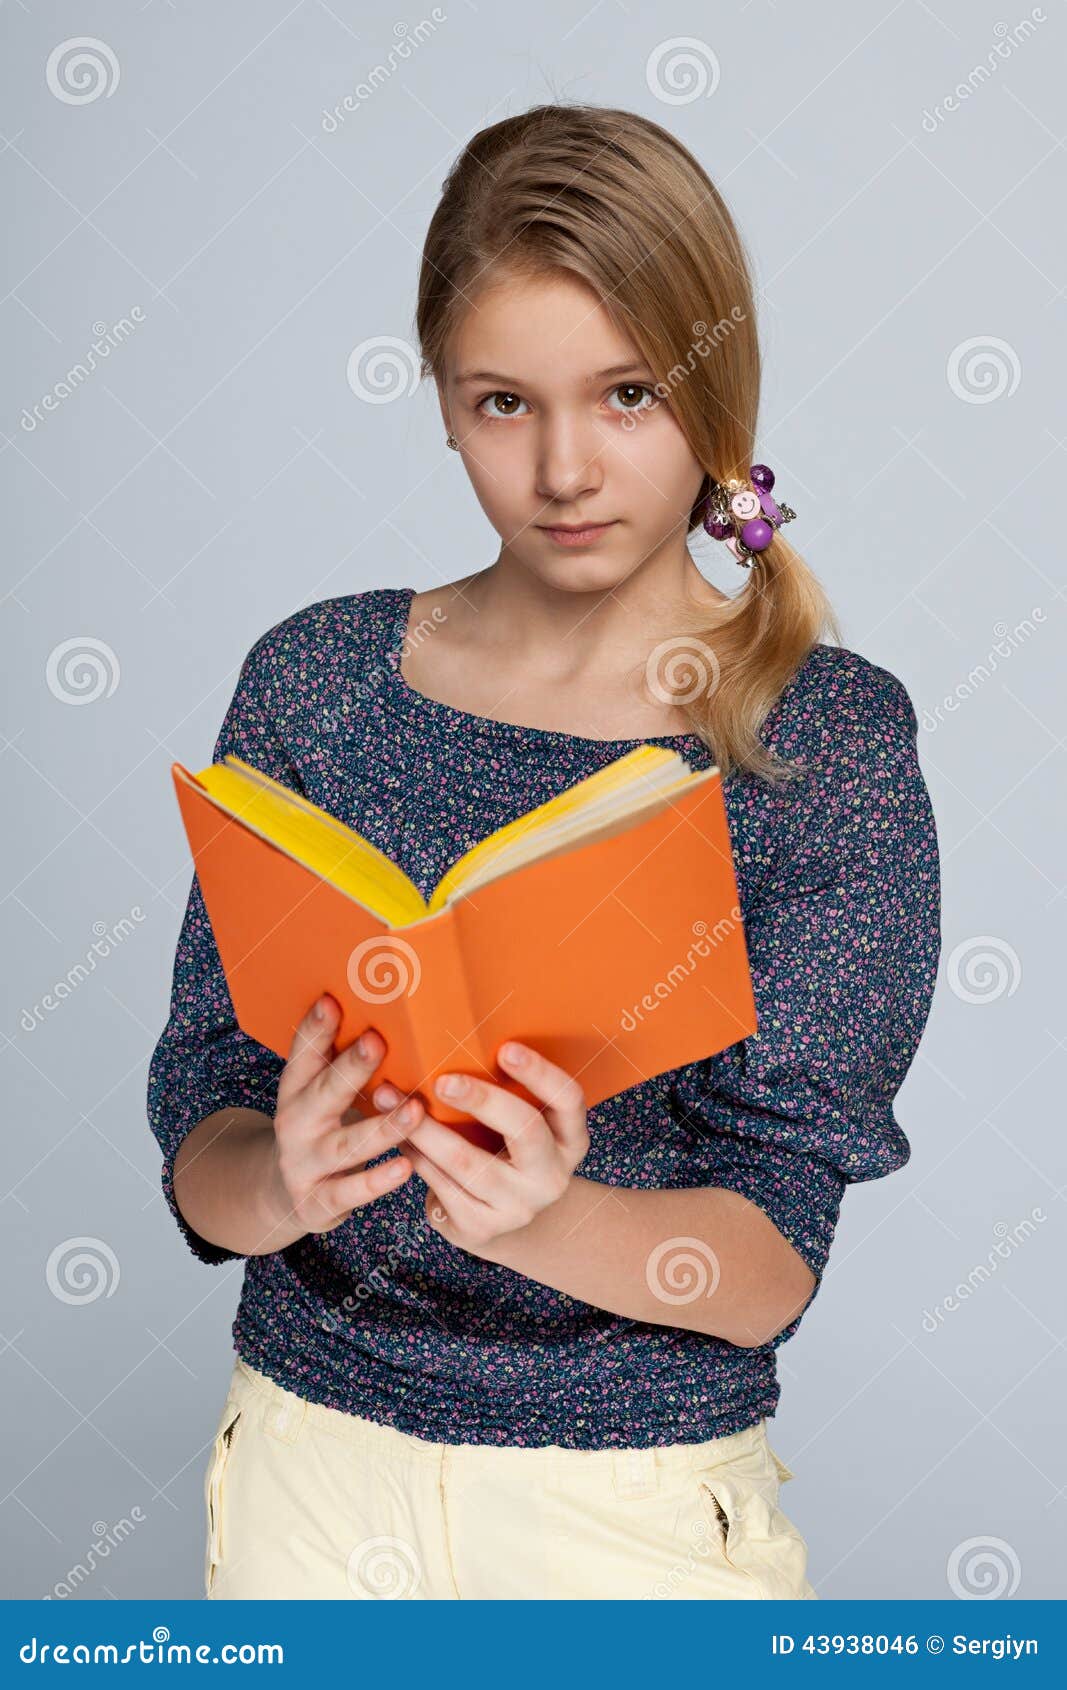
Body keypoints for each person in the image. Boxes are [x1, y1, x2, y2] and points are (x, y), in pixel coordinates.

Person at [146, 102, 941, 1601]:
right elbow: (202, 1128)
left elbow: (772, 1265)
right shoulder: (316, 681)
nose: (566, 467)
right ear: (443, 402)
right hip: (307, 1476)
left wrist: (548, 1214)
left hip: (626, 1516)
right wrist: (287, 1183)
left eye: (629, 393)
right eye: (506, 402)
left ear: (717, 389)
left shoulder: (821, 743)